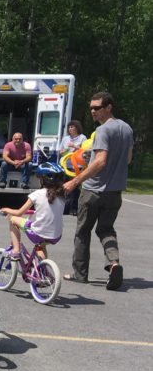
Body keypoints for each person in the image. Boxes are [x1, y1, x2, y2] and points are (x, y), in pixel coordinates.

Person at [63, 91, 133, 290]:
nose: (93, 111)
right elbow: (127, 159)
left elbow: (100, 161)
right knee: (106, 230)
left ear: (108, 107)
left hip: (93, 191)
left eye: (97, 108)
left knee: (82, 232)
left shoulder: (103, 131)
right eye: (91, 108)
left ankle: (80, 274)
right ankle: (114, 263)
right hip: (115, 192)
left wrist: (75, 181)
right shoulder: (127, 129)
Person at [0, 162, 67, 258]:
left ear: (42, 180)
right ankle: (43, 269)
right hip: (56, 236)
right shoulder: (62, 196)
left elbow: (19, 213)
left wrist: (6, 209)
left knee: (13, 219)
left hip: (38, 233)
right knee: (41, 246)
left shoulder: (37, 194)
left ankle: (16, 250)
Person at [58, 120, 85, 215]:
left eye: (72, 127)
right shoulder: (65, 139)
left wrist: (74, 146)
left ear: (77, 128)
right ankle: (64, 208)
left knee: (75, 188)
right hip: (66, 165)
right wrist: (64, 150)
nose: (70, 129)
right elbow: (60, 151)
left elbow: (84, 150)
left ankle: (74, 208)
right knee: (64, 187)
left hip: (77, 166)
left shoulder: (82, 138)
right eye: (69, 127)